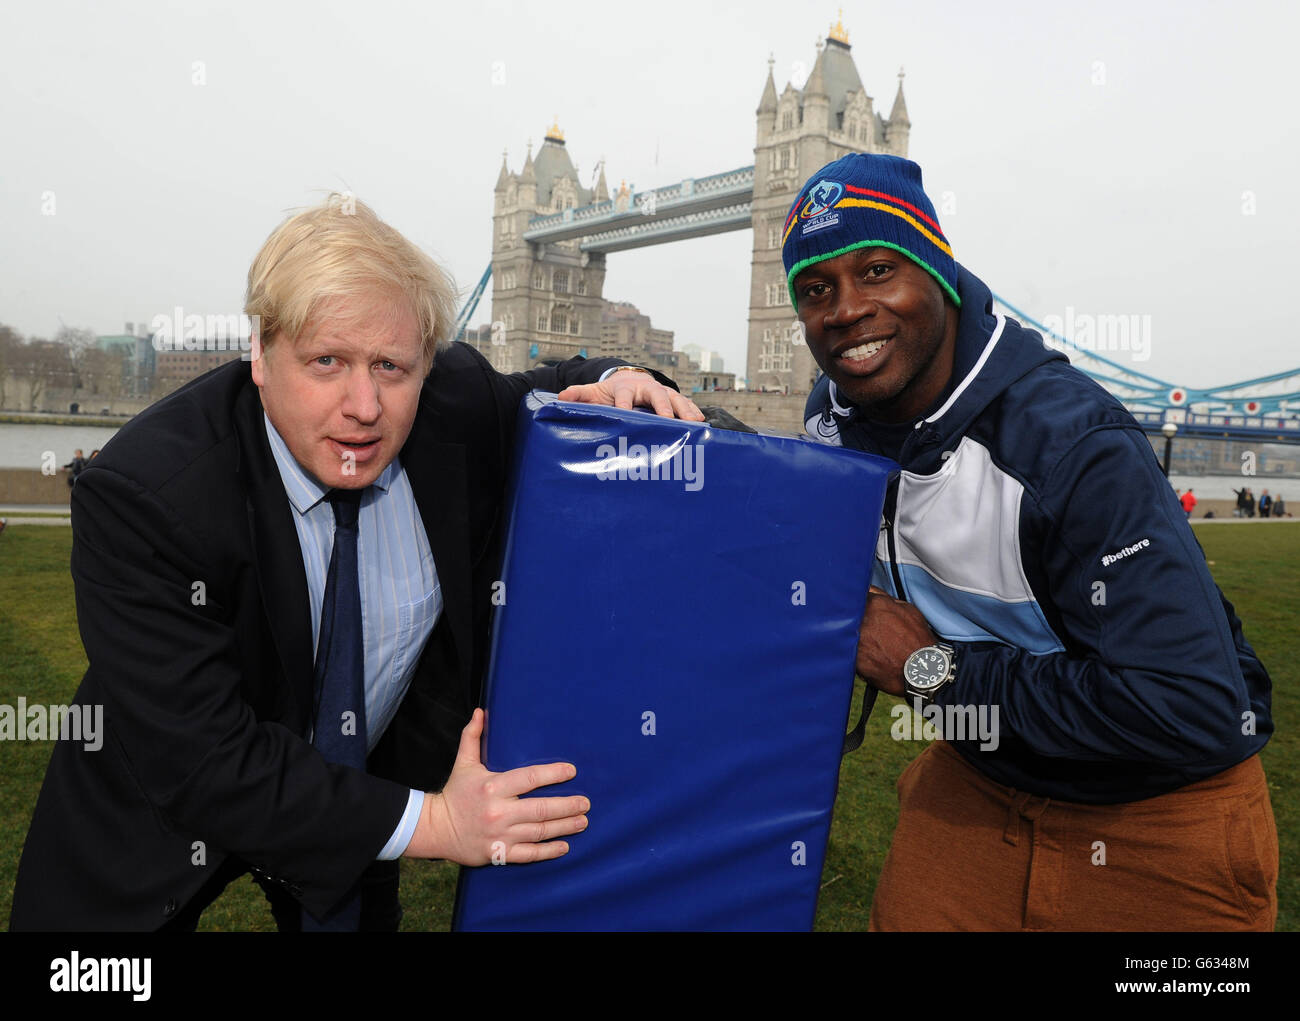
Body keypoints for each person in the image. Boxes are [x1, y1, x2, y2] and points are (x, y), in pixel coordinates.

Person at [10, 194, 703, 931]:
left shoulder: (454, 408)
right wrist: (439, 823)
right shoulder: (145, 496)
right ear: (260, 352)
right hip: (164, 810)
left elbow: (561, 382)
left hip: (360, 789)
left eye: (391, 366)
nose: (364, 405)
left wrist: (627, 375)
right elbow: (208, 761)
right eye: (327, 361)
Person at [789, 153, 1276, 930]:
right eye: (816, 289)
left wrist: (927, 669)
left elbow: (1189, 707)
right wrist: (633, 387)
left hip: (1157, 812)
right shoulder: (836, 416)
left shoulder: (1073, 446)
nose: (844, 309)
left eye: (878, 269)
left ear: (940, 274)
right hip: (978, 777)